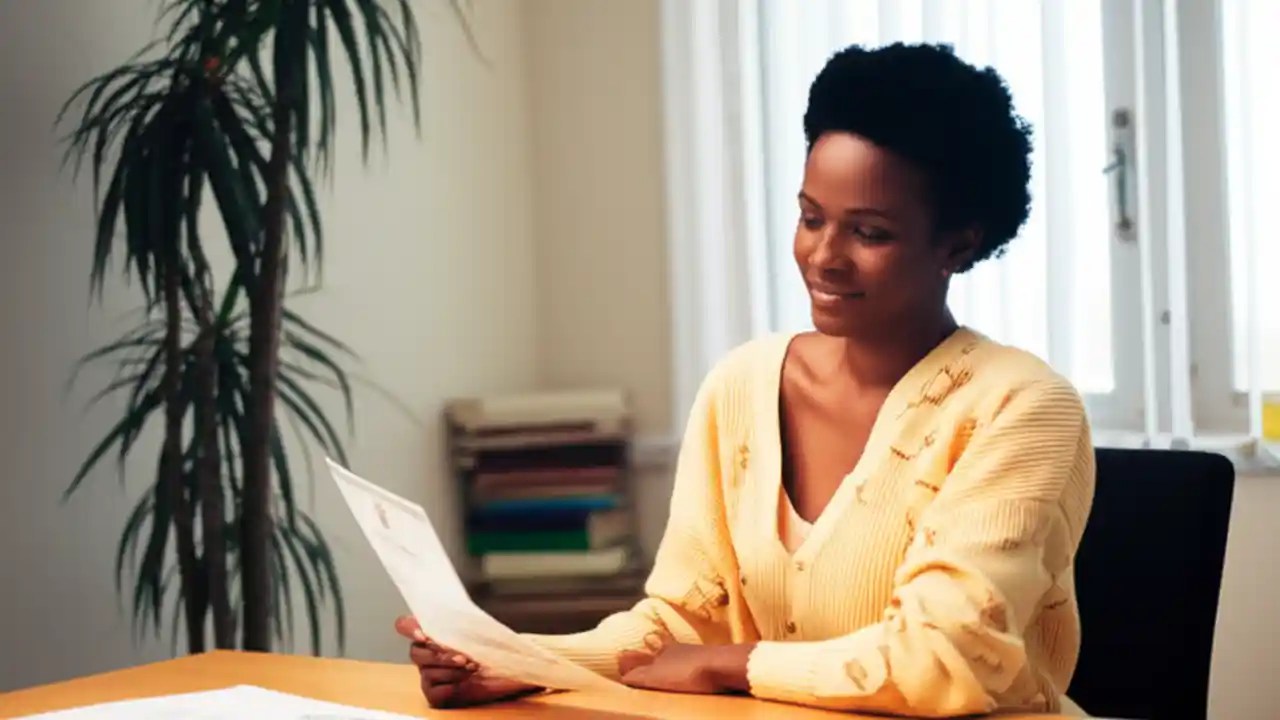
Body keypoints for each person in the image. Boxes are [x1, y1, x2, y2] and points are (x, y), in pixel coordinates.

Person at [395, 42, 1095, 717]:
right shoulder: (743, 383)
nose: (823, 257)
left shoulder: (1022, 408)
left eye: (870, 233)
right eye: (810, 217)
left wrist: (732, 663)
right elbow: (678, 625)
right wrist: (510, 660)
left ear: (958, 243)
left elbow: (943, 658)